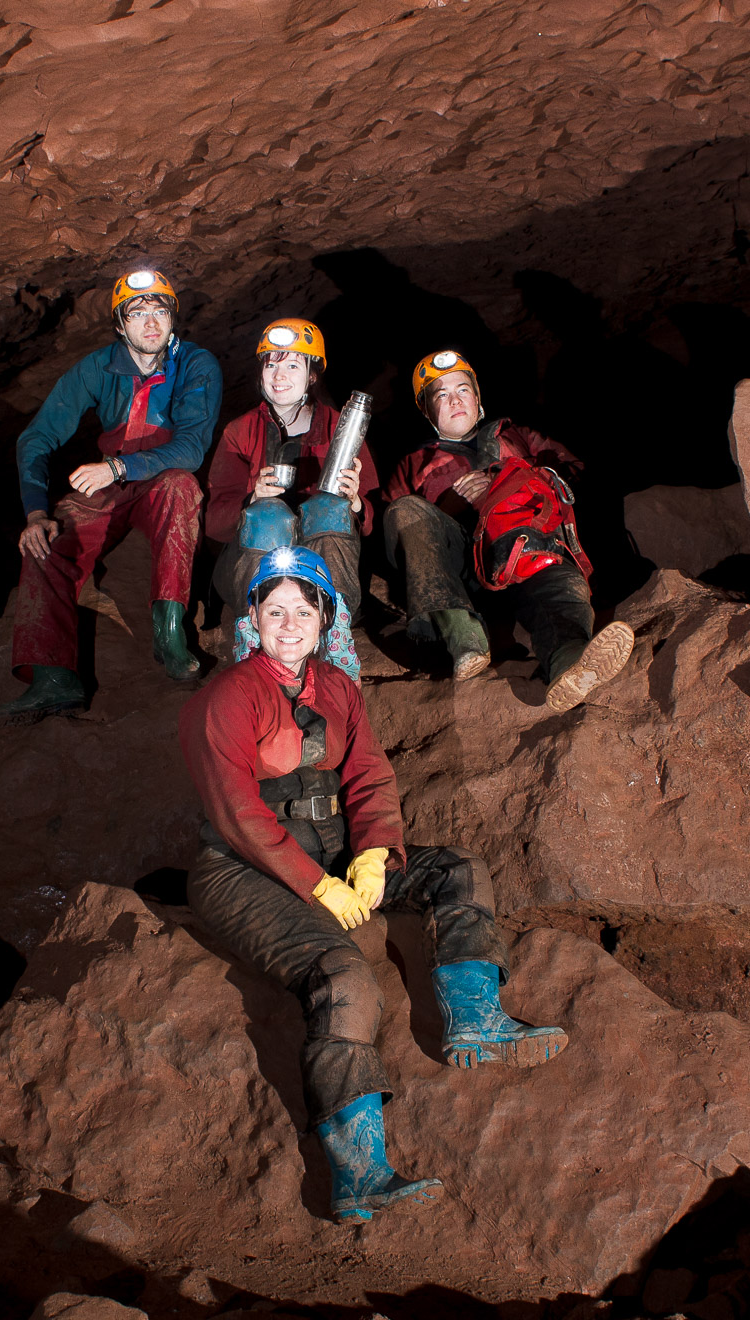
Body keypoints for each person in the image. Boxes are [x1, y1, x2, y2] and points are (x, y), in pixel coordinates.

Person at [178, 545, 567, 1225]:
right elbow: (238, 813)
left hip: (331, 848)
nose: (290, 624)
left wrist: (374, 854)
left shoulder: (336, 686)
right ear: (253, 618)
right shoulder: (225, 697)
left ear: (325, 618)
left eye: (304, 611)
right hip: (242, 870)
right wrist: (318, 887)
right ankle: (359, 1173)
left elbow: (367, 776)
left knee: (456, 869)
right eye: (276, 611)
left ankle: (474, 1021)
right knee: (344, 978)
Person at [0, 267, 223, 722]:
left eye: (160, 310)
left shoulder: (197, 364)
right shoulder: (98, 367)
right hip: (110, 486)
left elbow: (191, 448)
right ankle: (54, 679)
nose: (151, 322)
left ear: (173, 317)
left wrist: (118, 467)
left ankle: (169, 633)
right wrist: (36, 512)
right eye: (137, 313)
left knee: (181, 486)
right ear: (120, 325)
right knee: (45, 544)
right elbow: (36, 438)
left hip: (158, 477)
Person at [384, 350, 634, 711]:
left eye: (463, 389)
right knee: (406, 509)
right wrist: (447, 509)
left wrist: (509, 481)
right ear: (426, 410)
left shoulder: (515, 435)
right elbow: (394, 536)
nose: (455, 400)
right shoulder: (413, 464)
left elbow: (574, 472)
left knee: (560, 585)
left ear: (477, 397)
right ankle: (463, 636)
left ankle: (568, 659)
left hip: (526, 549)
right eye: (442, 394)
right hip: (465, 573)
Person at [205, 318, 379, 637]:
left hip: (321, 564)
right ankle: (255, 631)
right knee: (268, 514)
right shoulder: (240, 432)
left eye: (293, 366)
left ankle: (335, 629)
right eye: (271, 365)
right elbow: (215, 524)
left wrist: (356, 503)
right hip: (254, 563)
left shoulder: (341, 428)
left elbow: (373, 520)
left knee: (328, 506)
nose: (279, 376)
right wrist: (252, 498)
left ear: (312, 375)